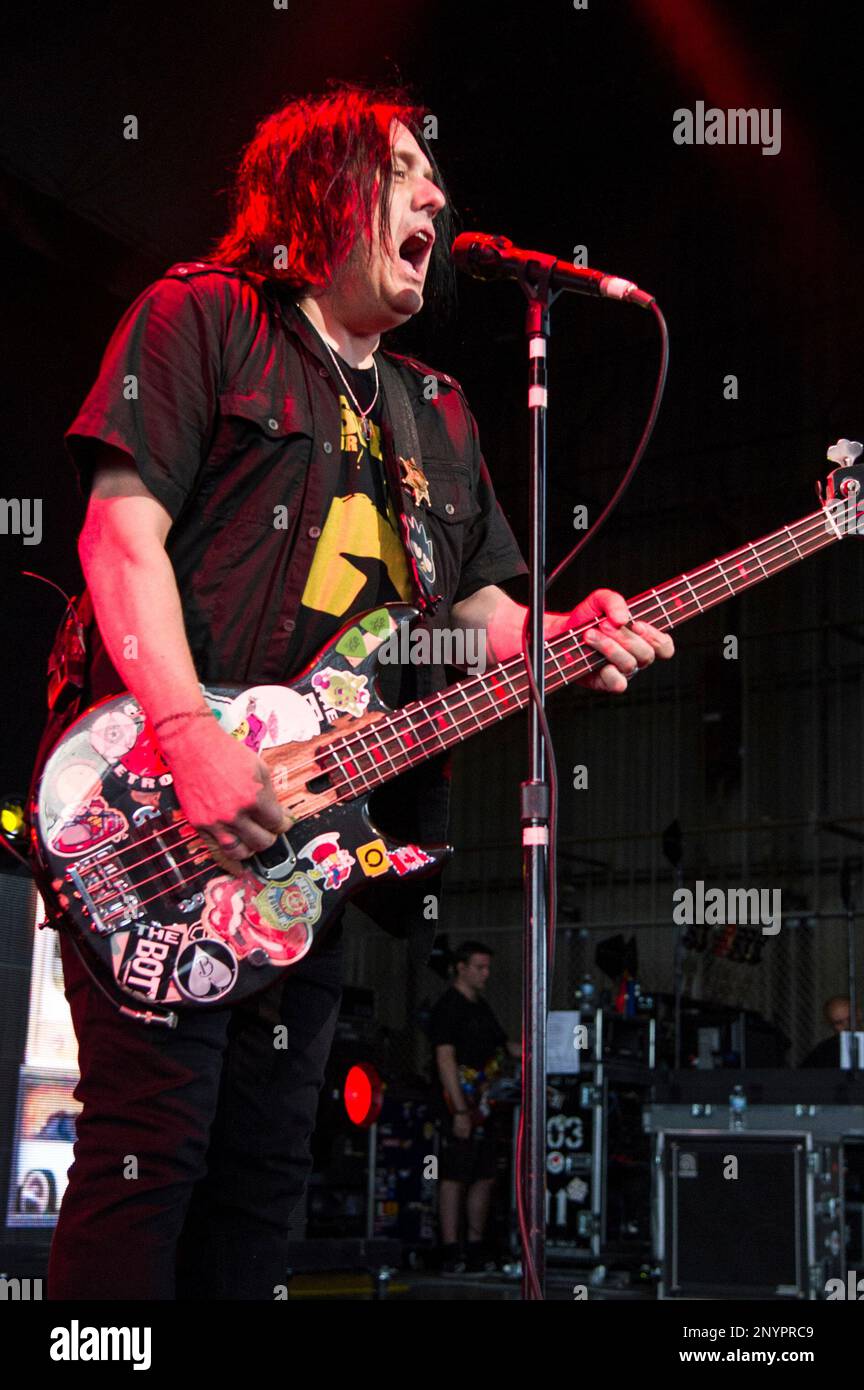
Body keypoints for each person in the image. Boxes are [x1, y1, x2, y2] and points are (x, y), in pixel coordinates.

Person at [36, 83, 674, 1300]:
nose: (436, 193)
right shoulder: (202, 319)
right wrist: (187, 734)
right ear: (321, 188)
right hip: (165, 801)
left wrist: (566, 631)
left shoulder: (435, 411)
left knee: (264, 1175)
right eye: (402, 169)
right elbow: (119, 538)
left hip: (313, 838)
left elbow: (480, 617)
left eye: (436, 176)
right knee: (147, 1164)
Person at [429, 941, 520, 1274]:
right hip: (458, 1104)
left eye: (488, 967)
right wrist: (459, 1110)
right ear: (461, 968)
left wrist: (547, 1046)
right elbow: (444, 1058)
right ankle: (451, 1247)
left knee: (484, 1175)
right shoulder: (448, 1007)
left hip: (484, 1102)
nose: (486, 973)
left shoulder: (481, 1006)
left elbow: (505, 1046)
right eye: (480, 967)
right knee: (454, 1174)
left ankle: (476, 1245)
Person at [800, 995, 864, 1068]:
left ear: (859, 1014)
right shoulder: (824, 1052)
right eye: (839, 1022)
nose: (847, 1026)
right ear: (831, 1025)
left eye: (850, 1018)